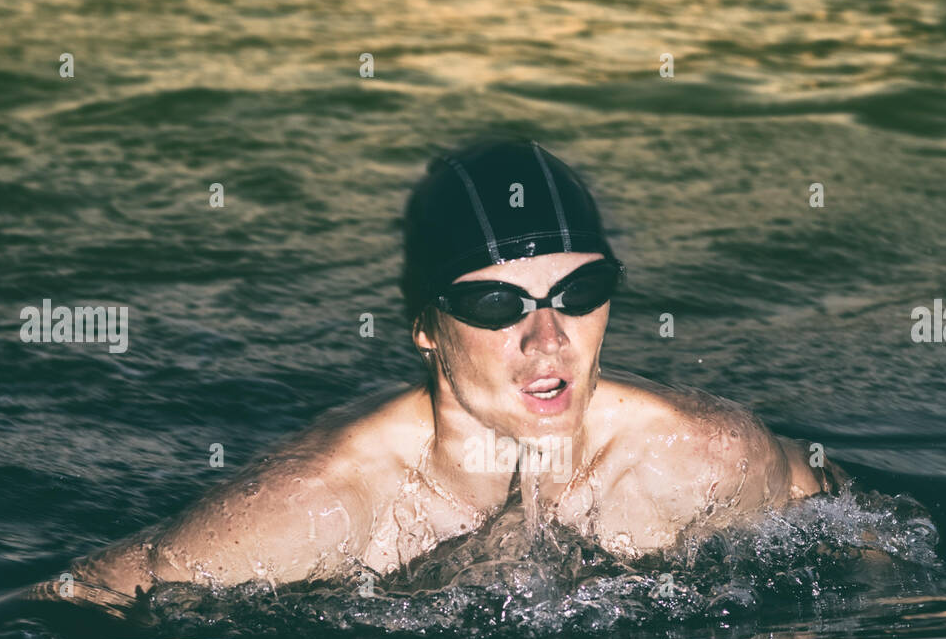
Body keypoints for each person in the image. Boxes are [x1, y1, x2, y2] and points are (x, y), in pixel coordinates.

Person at [59, 137, 844, 605]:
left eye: (580, 291)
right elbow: (85, 597)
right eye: (500, 303)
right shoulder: (326, 500)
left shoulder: (699, 455)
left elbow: (841, 507)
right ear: (425, 326)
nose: (548, 338)